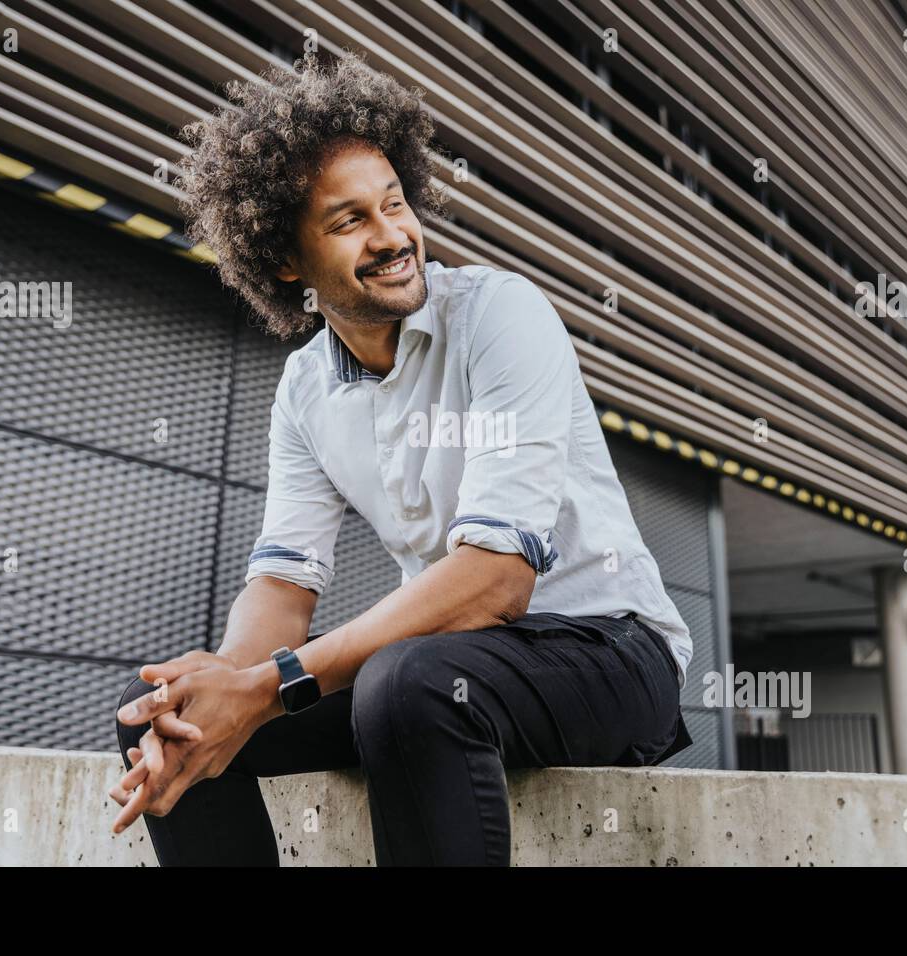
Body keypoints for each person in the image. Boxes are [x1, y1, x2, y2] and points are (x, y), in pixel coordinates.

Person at [109, 50, 694, 867]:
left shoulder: (502, 315)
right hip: (453, 668)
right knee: (160, 712)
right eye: (350, 221)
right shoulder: (305, 390)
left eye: (394, 205)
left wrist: (268, 687)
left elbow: (497, 578)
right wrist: (224, 688)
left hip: (609, 654)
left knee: (407, 681)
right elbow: (282, 585)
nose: (392, 237)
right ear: (286, 259)